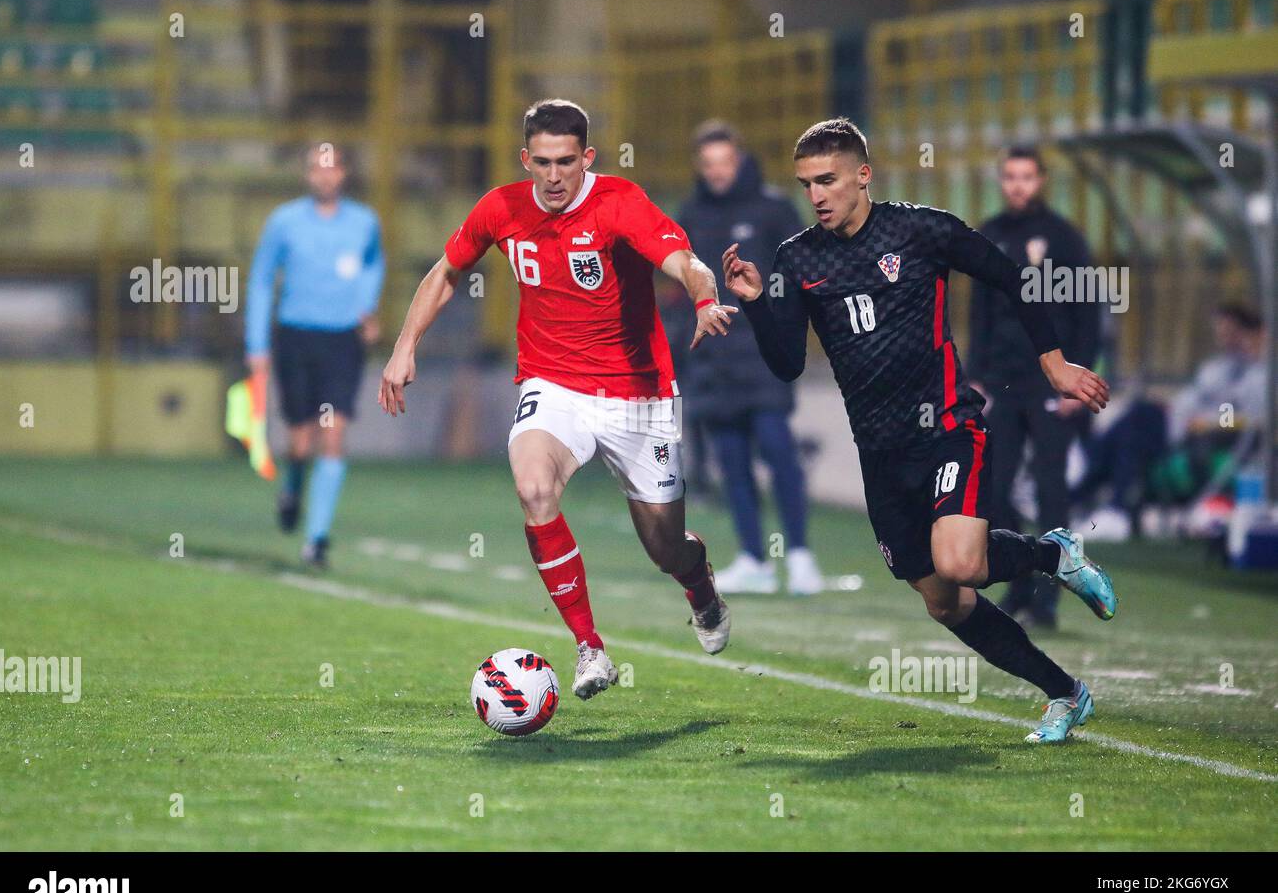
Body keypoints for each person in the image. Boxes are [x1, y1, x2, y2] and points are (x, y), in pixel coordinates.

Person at [723, 117, 1118, 744]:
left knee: (959, 562)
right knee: (944, 601)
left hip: (948, 428)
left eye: (828, 180)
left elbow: (1012, 277)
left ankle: (1053, 553)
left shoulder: (920, 229)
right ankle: (1065, 692)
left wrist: (1053, 364)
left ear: (863, 174)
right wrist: (753, 304)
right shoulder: (796, 258)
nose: (818, 195)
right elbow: (788, 364)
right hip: (879, 453)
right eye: (807, 184)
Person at [378, 100, 735, 700]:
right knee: (534, 487)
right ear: (525, 159)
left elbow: (685, 261)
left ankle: (699, 587)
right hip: (552, 383)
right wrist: (405, 345)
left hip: (637, 394)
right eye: (540, 163)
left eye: (565, 162)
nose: (552, 177)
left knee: (666, 547)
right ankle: (589, 648)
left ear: (586, 158)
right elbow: (445, 271)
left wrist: (704, 300)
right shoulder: (501, 207)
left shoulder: (619, 202)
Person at [675, 120, 825, 595]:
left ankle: (799, 555)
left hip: (763, 353)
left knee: (778, 450)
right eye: (709, 164)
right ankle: (754, 559)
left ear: (738, 160)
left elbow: (803, 269)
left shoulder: (773, 208)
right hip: (713, 360)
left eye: (725, 162)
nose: (717, 172)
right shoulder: (690, 213)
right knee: (732, 461)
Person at [967, 144, 1101, 628]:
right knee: (996, 489)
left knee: (1051, 491)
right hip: (1001, 383)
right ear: (1001, 181)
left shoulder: (1064, 238)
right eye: (1009, 176)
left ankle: (1050, 600)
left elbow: (1088, 312)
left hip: (1052, 385)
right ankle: (1019, 583)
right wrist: (976, 375)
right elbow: (978, 313)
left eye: (1026, 176)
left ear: (1042, 180)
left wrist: (1077, 376)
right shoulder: (991, 234)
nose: (1018, 185)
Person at [245, 143, 384, 568]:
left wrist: (365, 307)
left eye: (333, 168)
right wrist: (257, 347)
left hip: (342, 341)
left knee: (334, 431)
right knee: (301, 438)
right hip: (295, 338)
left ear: (343, 173)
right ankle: (293, 485)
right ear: (307, 175)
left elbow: (373, 264)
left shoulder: (364, 223)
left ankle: (317, 538)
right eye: (317, 169)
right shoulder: (284, 222)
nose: (325, 176)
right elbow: (261, 280)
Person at [1074, 302, 1266, 538]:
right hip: (1175, 422)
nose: (1226, 339)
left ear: (1254, 334)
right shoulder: (1217, 366)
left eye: (1232, 332)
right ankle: (1093, 502)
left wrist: (1211, 424)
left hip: (1204, 436)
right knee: (1135, 420)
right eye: (1222, 332)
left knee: (1136, 424)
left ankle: (1093, 499)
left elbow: (1252, 419)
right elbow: (1193, 398)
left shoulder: (1262, 374)